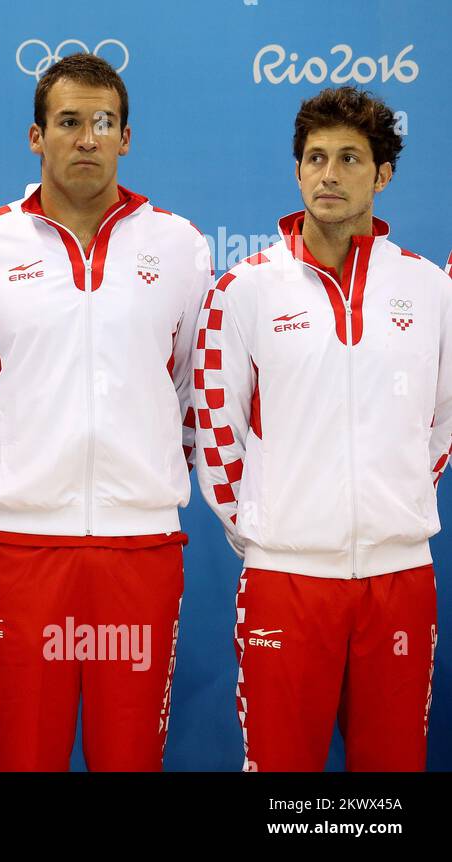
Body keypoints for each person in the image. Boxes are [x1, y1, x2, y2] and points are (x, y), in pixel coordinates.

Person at [0, 53, 211, 771]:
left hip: (141, 549)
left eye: (102, 123)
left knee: (131, 758)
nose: (86, 138)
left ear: (127, 137)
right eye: (68, 122)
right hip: (22, 552)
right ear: (36, 137)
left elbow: (188, 394)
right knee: (28, 756)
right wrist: (12, 490)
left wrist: (142, 480)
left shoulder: (180, 246)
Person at [194, 86, 446, 771]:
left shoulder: (430, 291)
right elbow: (215, 432)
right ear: (298, 170)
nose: (328, 174)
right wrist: (271, 528)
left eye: (349, 159)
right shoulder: (243, 289)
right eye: (315, 158)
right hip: (286, 578)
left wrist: (389, 503)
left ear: (383, 174)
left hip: (398, 580)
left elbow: (440, 424)